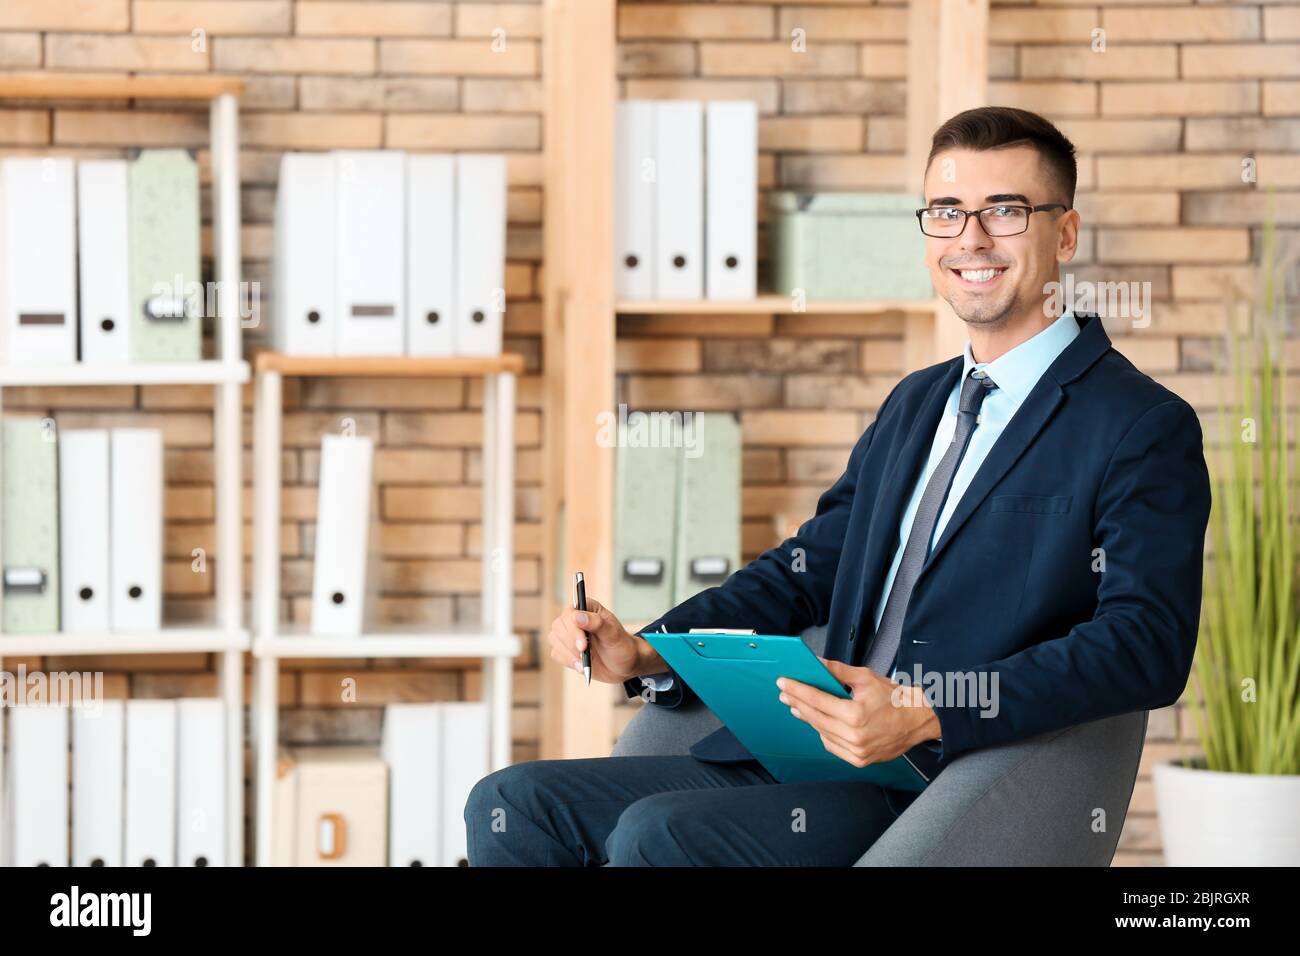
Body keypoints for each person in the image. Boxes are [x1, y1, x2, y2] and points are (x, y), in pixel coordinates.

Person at [464, 106, 1211, 866]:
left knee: (657, 835)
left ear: (1066, 233)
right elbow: (810, 568)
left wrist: (925, 710)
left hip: (935, 777)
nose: (971, 240)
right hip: (810, 751)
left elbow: (1146, 644)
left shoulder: (1141, 424)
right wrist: (648, 651)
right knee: (512, 804)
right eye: (948, 213)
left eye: (1006, 212)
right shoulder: (919, 402)